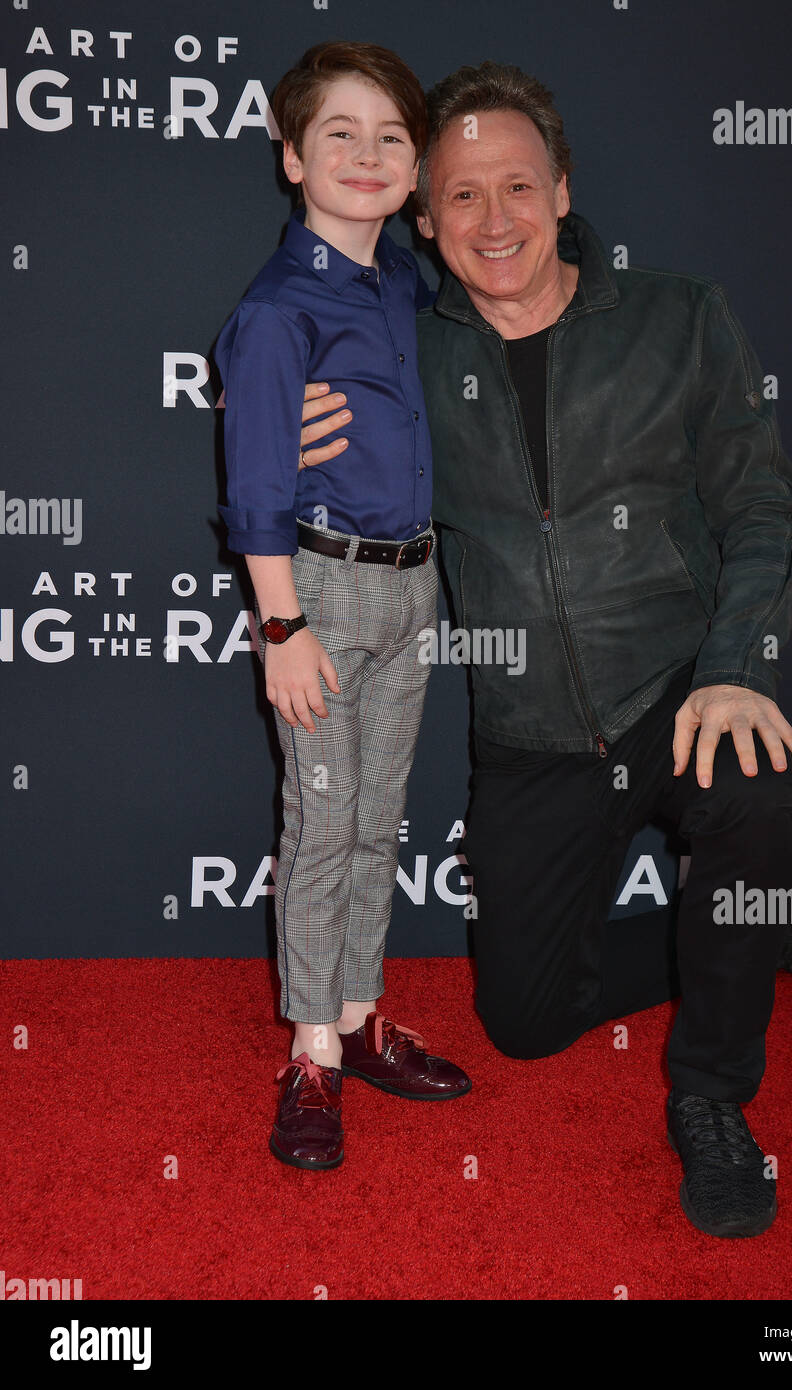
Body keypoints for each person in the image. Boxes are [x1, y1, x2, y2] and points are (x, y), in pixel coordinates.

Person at [296, 60, 792, 1235]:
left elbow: (763, 509)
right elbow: (310, 444)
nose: (493, 220)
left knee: (756, 789)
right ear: (425, 216)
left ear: (562, 191)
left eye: (517, 186)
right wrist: (289, 426)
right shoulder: (404, 357)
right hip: (532, 735)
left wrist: (735, 665)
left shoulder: (680, 317)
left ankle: (711, 1097)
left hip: (676, 687)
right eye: (460, 196)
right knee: (522, 1021)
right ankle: (753, 934)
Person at [214, 41, 470, 1174]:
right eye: (338, 135)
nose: (365, 156)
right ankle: (310, 1050)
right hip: (316, 592)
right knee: (322, 829)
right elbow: (256, 491)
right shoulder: (277, 312)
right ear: (289, 157)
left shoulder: (407, 284)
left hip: (414, 585)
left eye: (391, 138)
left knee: (376, 819)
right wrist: (280, 628)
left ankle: (360, 1013)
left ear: (415, 166)